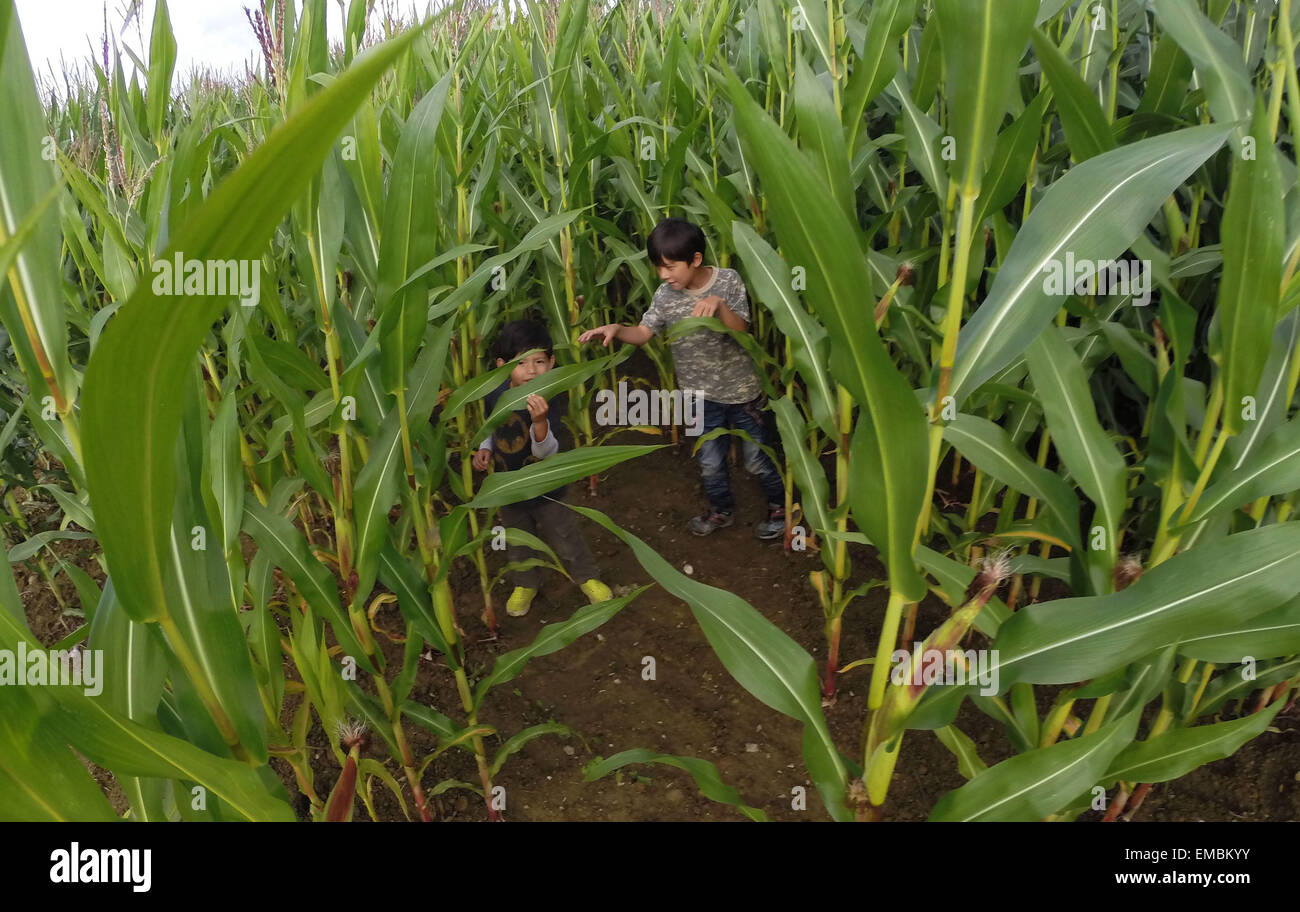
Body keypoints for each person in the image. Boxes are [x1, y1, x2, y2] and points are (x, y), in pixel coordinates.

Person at [578, 217, 785, 540]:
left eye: (671, 266)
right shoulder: (665, 296)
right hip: (698, 397)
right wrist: (617, 329)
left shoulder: (727, 282)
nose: (663, 275)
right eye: (658, 267)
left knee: (757, 459)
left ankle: (780, 508)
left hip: (742, 393)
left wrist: (718, 305)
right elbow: (644, 333)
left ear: (696, 259)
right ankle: (721, 511)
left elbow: (741, 330)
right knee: (710, 462)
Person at [471, 320, 613, 617]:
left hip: (548, 489)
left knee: (565, 535)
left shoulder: (548, 400)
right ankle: (526, 582)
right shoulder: (494, 393)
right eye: (520, 363)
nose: (531, 371)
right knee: (517, 540)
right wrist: (484, 448)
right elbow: (490, 426)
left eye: (539, 362)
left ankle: (587, 576)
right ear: (501, 366)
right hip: (508, 490)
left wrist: (539, 422)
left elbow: (547, 452)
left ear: (552, 364)